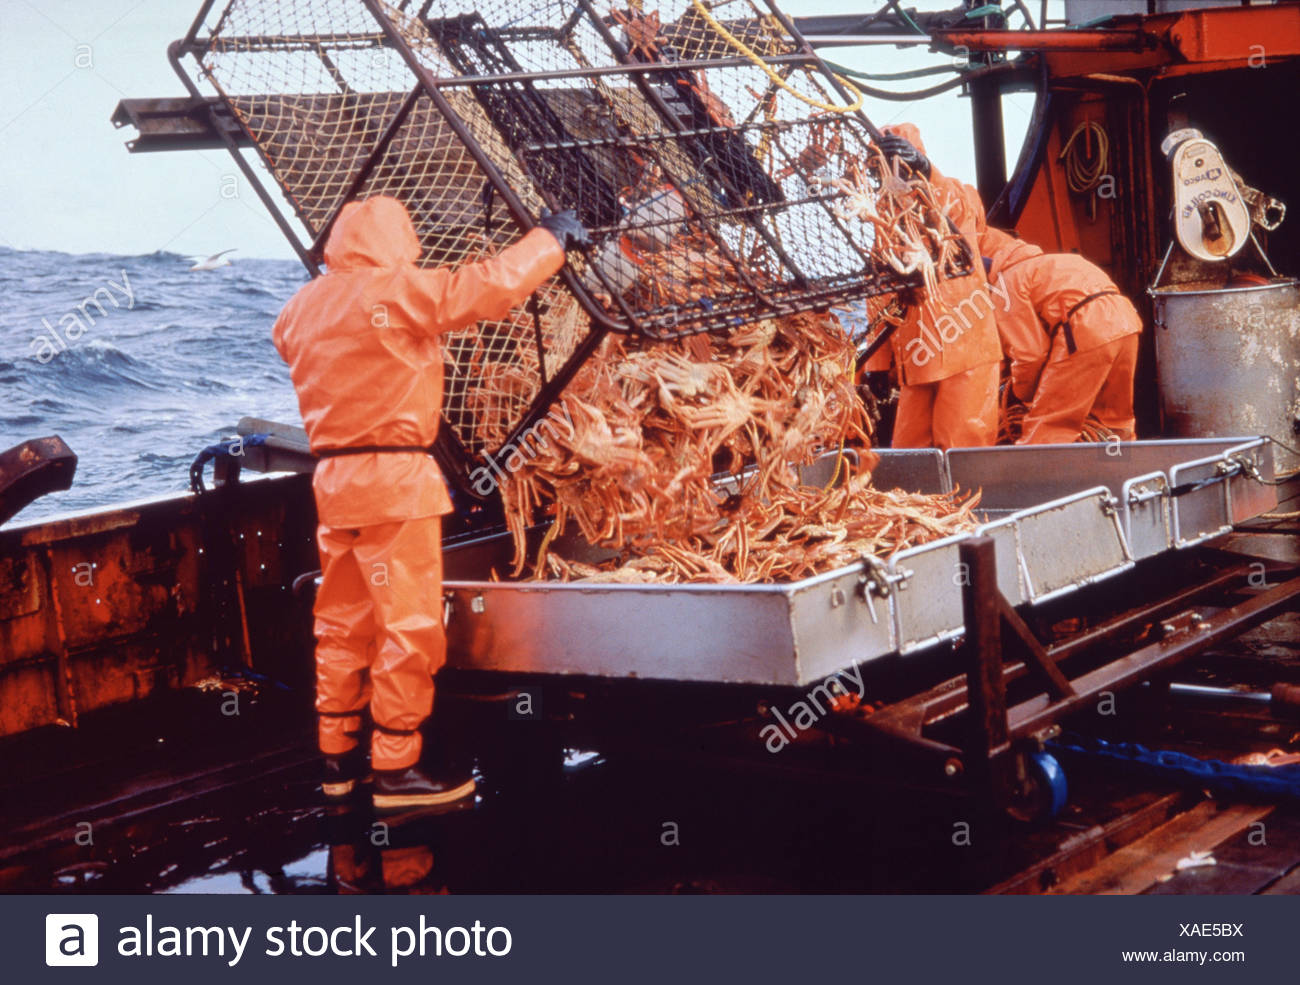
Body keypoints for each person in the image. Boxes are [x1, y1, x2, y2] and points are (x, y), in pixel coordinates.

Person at [273, 195, 587, 809]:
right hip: (395, 482)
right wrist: (550, 240)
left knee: (340, 623)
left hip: (334, 481)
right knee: (408, 626)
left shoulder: (299, 308)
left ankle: (338, 760)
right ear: (396, 243)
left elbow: (289, 342)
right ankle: (396, 769)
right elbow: (488, 288)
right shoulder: (394, 292)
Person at [872, 124, 1002, 449]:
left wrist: (927, 171)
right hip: (918, 356)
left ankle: (970, 501)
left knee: (963, 452)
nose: (891, 172)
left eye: (899, 161)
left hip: (967, 349)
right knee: (908, 454)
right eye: (881, 164)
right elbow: (880, 296)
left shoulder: (956, 194)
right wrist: (876, 366)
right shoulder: (884, 222)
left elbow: (952, 209)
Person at [981, 226, 1141, 443]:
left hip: (1086, 329)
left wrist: (1022, 395)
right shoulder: (1058, 261)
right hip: (1126, 322)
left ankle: (1041, 476)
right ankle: (1121, 468)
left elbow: (1030, 355)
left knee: (1049, 426)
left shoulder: (1006, 284)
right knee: (1114, 418)